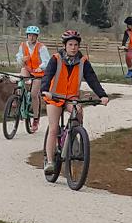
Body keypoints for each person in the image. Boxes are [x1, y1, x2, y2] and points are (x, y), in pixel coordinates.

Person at [40, 30, 110, 173]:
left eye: (76, 45)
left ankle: (75, 135)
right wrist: (45, 89)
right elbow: (47, 75)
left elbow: (92, 79)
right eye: (70, 44)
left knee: (78, 112)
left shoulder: (83, 61)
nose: (73, 47)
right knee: (53, 128)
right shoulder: (56, 59)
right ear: (65, 46)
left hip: (71, 97)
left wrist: (102, 95)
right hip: (54, 97)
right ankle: (50, 161)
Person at [15, 25, 50, 130]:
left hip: (38, 72)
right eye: (29, 35)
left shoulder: (41, 47)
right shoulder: (23, 45)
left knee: (34, 94)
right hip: (28, 69)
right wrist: (21, 59)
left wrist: (41, 67)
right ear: (27, 36)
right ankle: (19, 99)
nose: (31, 38)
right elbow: (18, 57)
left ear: (37, 37)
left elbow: (46, 61)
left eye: (34, 36)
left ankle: (35, 119)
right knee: (20, 80)